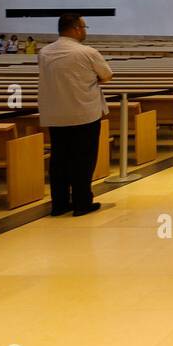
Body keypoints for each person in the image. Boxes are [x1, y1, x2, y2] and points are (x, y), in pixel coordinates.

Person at [38, 14, 111, 217]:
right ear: (76, 28)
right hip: (83, 112)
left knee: (59, 160)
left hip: (55, 113)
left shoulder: (44, 52)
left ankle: (59, 204)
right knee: (83, 159)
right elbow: (106, 75)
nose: (85, 30)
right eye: (84, 26)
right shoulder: (87, 52)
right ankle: (82, 203)